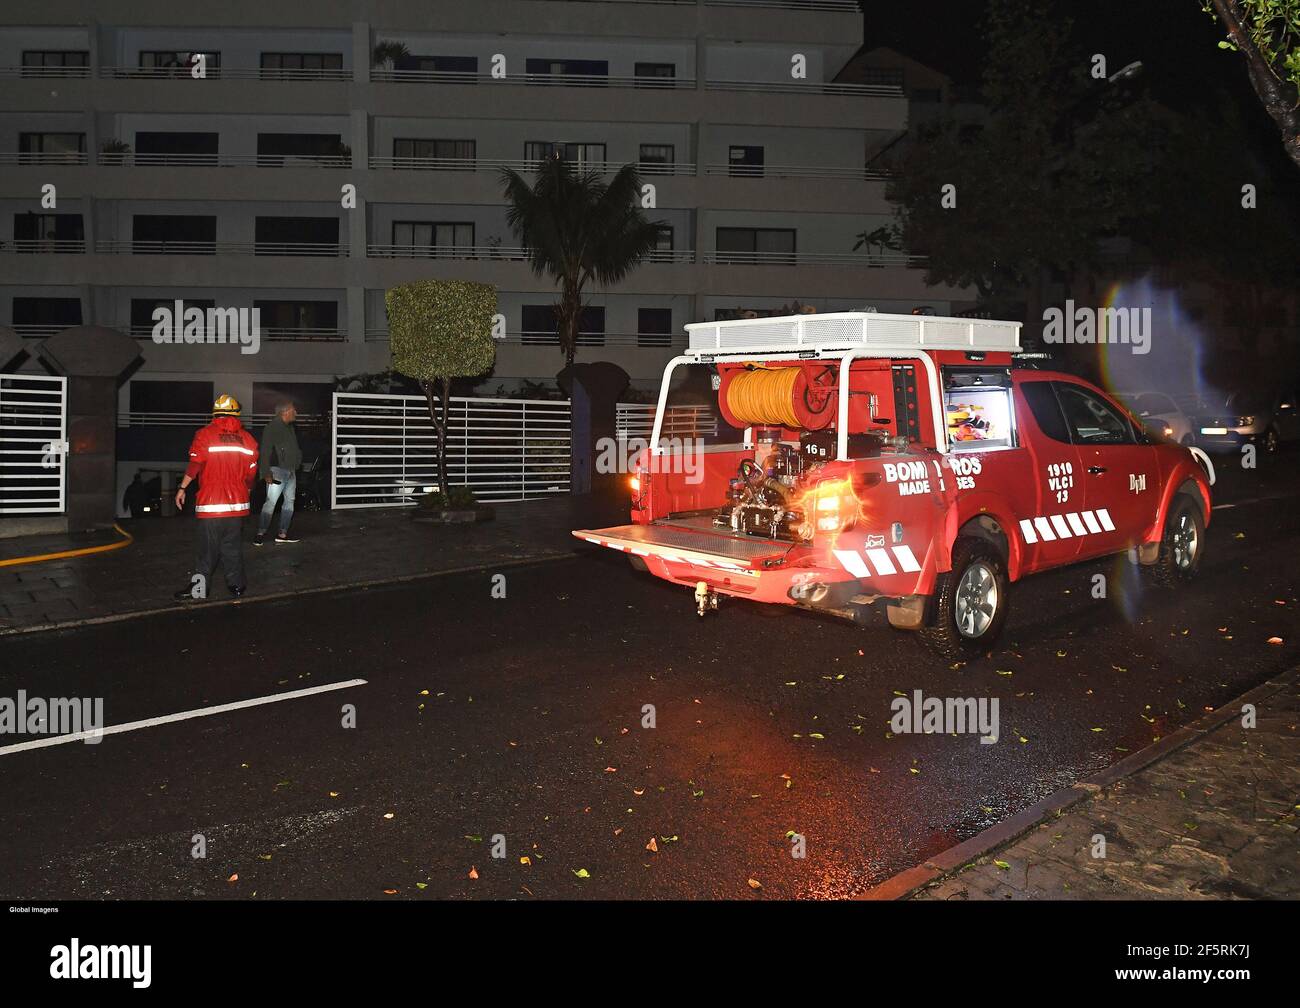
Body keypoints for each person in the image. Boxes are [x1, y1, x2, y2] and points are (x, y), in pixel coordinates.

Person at [172, 394, 259, 601]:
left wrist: (182, 488)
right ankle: (237, 586)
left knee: (206, 552)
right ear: (237, 414)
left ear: (215, 414)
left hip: (211, 506)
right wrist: (245, 490)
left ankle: (199, 590)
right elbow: (251, 473)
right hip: (237, 506)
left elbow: (195, 465)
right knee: (232, 548)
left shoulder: (204, 435)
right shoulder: (248, 440)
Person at [255, 401, 302, 546]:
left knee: (289, 503)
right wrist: (266, 473)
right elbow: (265, 451)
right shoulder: (272, 427)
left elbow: (294, 448)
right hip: (278, 471)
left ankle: (282, 533)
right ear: (285, 411)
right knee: (271, 502)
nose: (296, 413)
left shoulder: (290, 428)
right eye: (294, 410)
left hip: (291, 471)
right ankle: (260, 533)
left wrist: (297, 461)